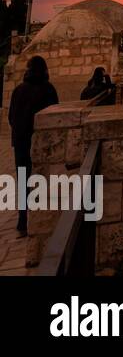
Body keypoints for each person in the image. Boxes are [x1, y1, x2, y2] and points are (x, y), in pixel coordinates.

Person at [8, 56, 59, 236]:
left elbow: (11, 117)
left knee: (23, 181)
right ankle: (41, 221)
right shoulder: (48, 90)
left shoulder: (18, 90)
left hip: (21, 143)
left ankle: (23, 222)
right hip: (41, 144)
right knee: (41, 181)